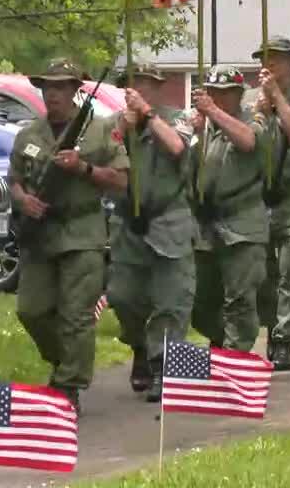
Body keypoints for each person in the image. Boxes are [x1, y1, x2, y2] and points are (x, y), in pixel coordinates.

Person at [9, 58, 129, 414]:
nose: (53, 94)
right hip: (40, 233)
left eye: (61, 87)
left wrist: (84, 168)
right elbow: (14, 178)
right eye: (48, 86)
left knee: (76, 315)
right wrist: (23, 199)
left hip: (82, 232)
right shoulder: (29, 135)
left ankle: (68, 387)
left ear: (76, 89)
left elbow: (122, 181)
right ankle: (66, 363)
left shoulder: (100, 130)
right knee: (31, 310)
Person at [107, 64, 197, 403]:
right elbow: (99, 157)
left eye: (144, 84)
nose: (138, 90)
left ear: (157, 88)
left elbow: (178, 147)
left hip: (168, 219)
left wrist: (147, 116)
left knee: (170, 300)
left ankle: (163, 365)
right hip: (127, 222)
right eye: (131, 85)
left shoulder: (175, 117)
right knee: (124, 296)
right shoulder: (114, 123)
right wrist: (122, 127)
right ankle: (140, 347)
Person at [245, 36, 290, 371]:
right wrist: (258, 110)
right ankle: (270, 328)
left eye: (277, 59)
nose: (271, 64)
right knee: (261, 271)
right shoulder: (249, 100)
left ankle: (285, 339)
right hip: (256, 196)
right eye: (266, 59)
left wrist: (277, 98)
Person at [189, 65, 274, 354]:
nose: (218, 98)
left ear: (239, 94)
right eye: (213, 93)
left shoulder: (254, 119)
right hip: (206, 224)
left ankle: (236, 358)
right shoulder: (202, 124)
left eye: (226, 93)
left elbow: (248, 141)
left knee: (240, 299)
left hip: (242, 224)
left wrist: (213, 111)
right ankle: (222, 341)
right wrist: (196, 131)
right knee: (200, 300)